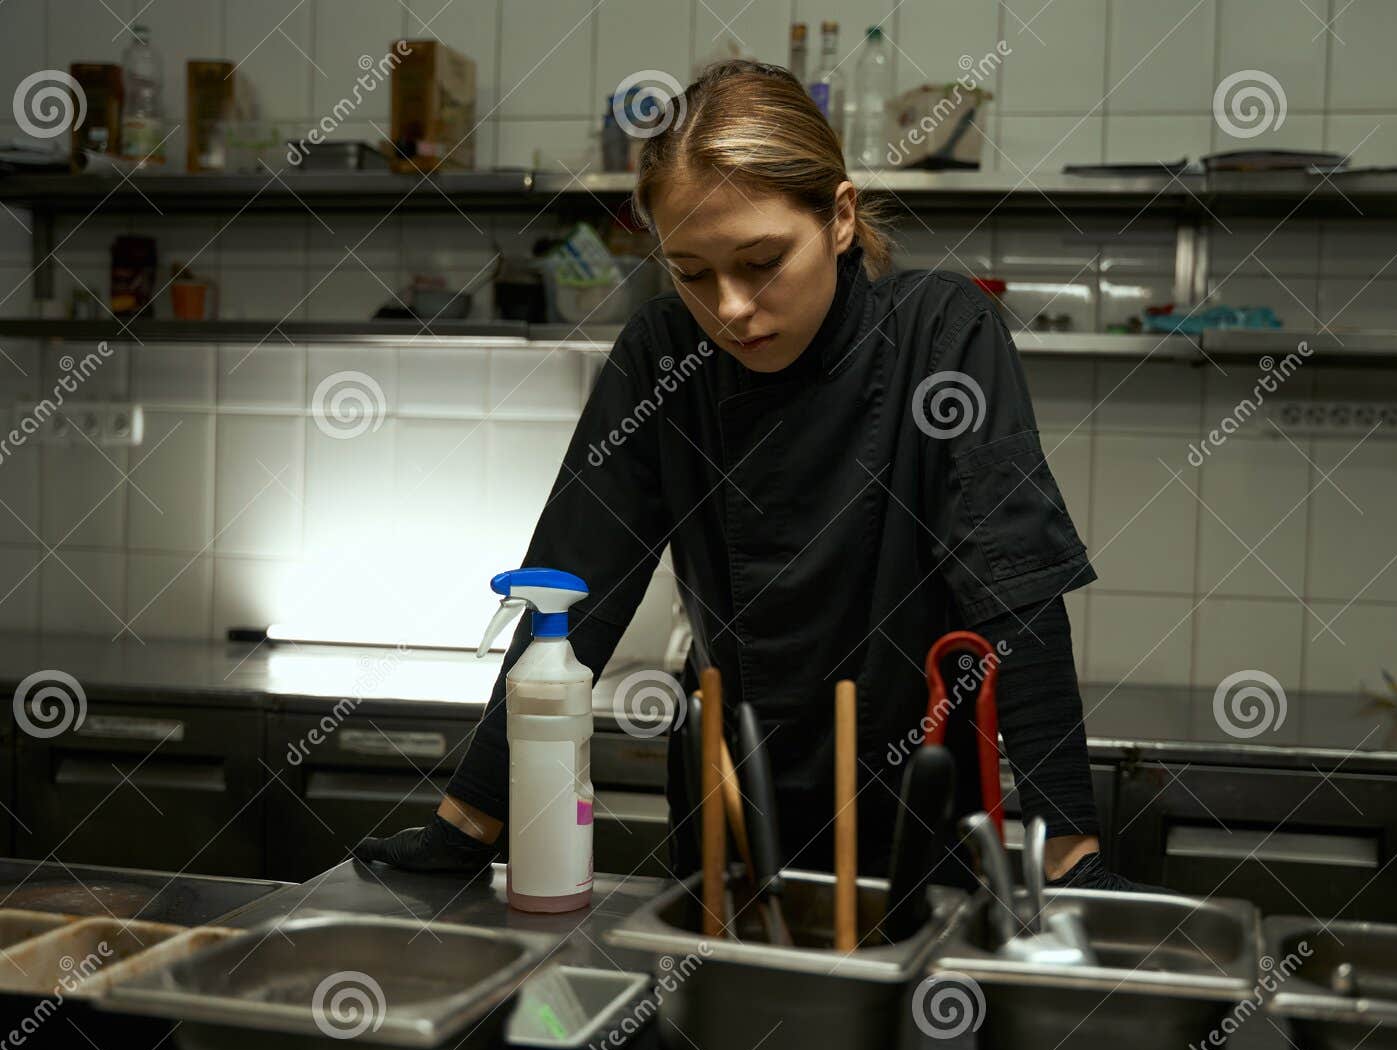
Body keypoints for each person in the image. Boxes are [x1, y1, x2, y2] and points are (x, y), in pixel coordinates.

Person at [356, 60, 1167, 896]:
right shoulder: (663, 355)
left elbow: (1016, 590)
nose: (731, 308)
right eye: (693, 272)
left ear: (841, 217)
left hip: (916, 813)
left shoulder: (941, 335)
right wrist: (468, 821)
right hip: (731, 800)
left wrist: (1069, 849)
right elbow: (575, 588)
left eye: (762, 261)